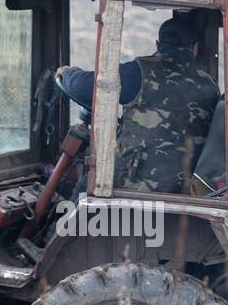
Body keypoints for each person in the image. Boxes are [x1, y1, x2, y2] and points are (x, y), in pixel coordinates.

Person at [55, 14, 219, 195]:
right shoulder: (210, 85)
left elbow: (81, 86)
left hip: (133, 187)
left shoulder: (139, 73)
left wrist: (68, 73)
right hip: (187, 191)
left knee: (81, 191)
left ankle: (62, 224)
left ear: (158, 45)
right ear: (194, 47)